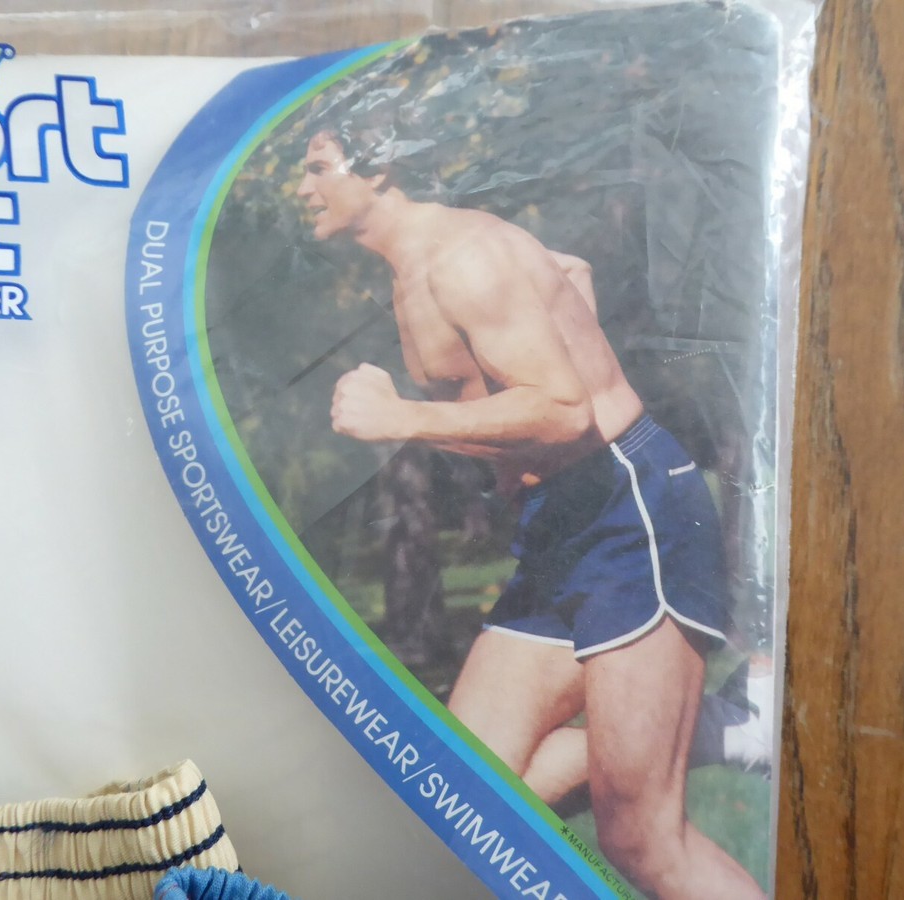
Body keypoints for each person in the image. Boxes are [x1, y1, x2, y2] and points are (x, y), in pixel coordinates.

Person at [296, 128, 766, 899]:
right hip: (558, 524)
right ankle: (713, 728)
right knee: (464, 793)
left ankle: (702, 732)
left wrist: (403, 416)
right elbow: (569, 273)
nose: (303, 188)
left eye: (317, 167)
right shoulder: (420, 263)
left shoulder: (462, 258)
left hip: (627, 510)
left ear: (379, 166)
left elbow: (564, 411)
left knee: (641, 838)